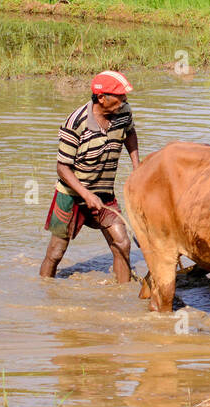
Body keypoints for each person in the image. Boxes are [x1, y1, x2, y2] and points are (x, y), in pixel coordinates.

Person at [40, 70, 139, 284]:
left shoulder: (124, 113)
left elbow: (130, 134)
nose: (124, 100)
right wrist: (85, 194)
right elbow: (62, 168)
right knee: (56, 253)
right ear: (102, 98)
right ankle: (43, 289)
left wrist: (136, 166)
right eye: (119, 96)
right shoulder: (76, 122)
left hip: (104, 194)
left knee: (122, 243)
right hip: (71, 196)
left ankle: (122, 295)